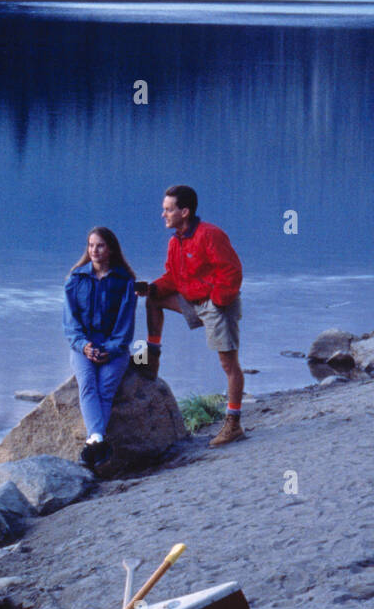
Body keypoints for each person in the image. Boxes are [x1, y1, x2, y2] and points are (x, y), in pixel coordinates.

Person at [136, 185, 246, 447]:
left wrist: (218, 301)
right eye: (164, 209)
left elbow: (232, 272)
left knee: (228, 364)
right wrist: (151, 288)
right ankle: (152, 356)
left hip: (217, 304)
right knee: (153, 299)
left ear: (184, 212)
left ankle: (233, 423)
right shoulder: (176, 241)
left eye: (168, 209)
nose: (163, 214)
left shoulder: (210, 234)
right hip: (193, 300)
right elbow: (173, 278)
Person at [63, 226, 137, 470]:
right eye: (91, 245)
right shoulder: (75, 279)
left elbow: (125, 326)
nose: (94, 250)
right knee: (87, 385)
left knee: (106, 389)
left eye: (100, 245)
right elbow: (70, 325)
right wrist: (85, 347)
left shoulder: (125, 282)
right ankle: (98, 442)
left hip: (113, 348)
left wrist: (110, 349)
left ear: (111, 249)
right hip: (82, 347)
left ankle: (92, 443)